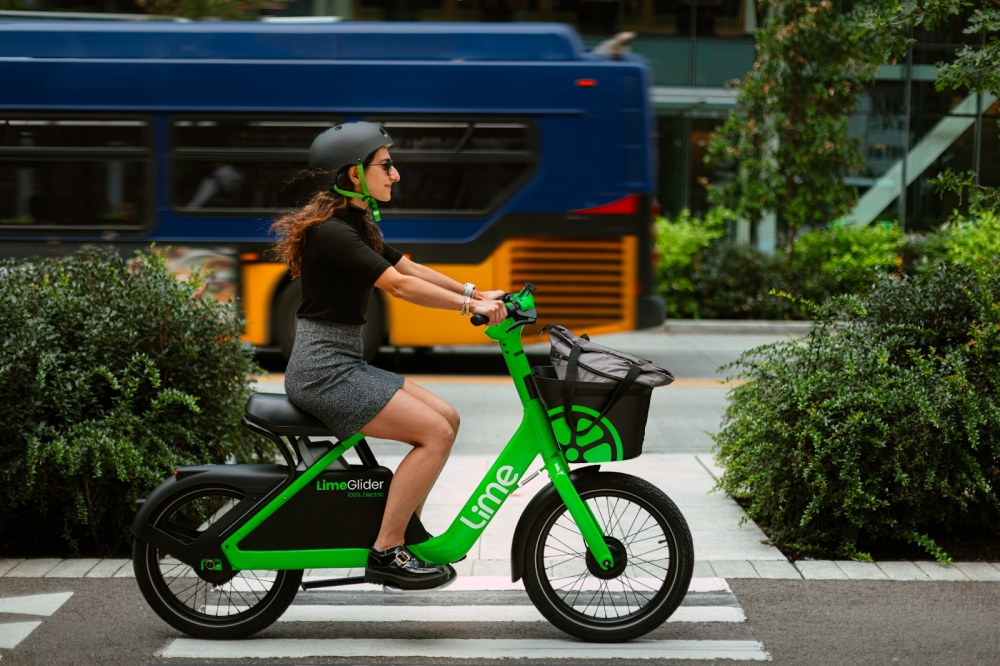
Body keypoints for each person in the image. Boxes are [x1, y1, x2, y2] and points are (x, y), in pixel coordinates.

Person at [269, 122, 508, 590]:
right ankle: (387, 550)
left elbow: (408, 266)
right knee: (434, 434)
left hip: (342, 363)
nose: (395, 174)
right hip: (323, 372)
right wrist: (469, 308)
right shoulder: (332, 232)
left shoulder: (357, 224)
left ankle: (403, 533)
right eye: (386, 165)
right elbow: (398, 286)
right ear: (354, 175)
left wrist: (475, 290)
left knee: (448, 418)